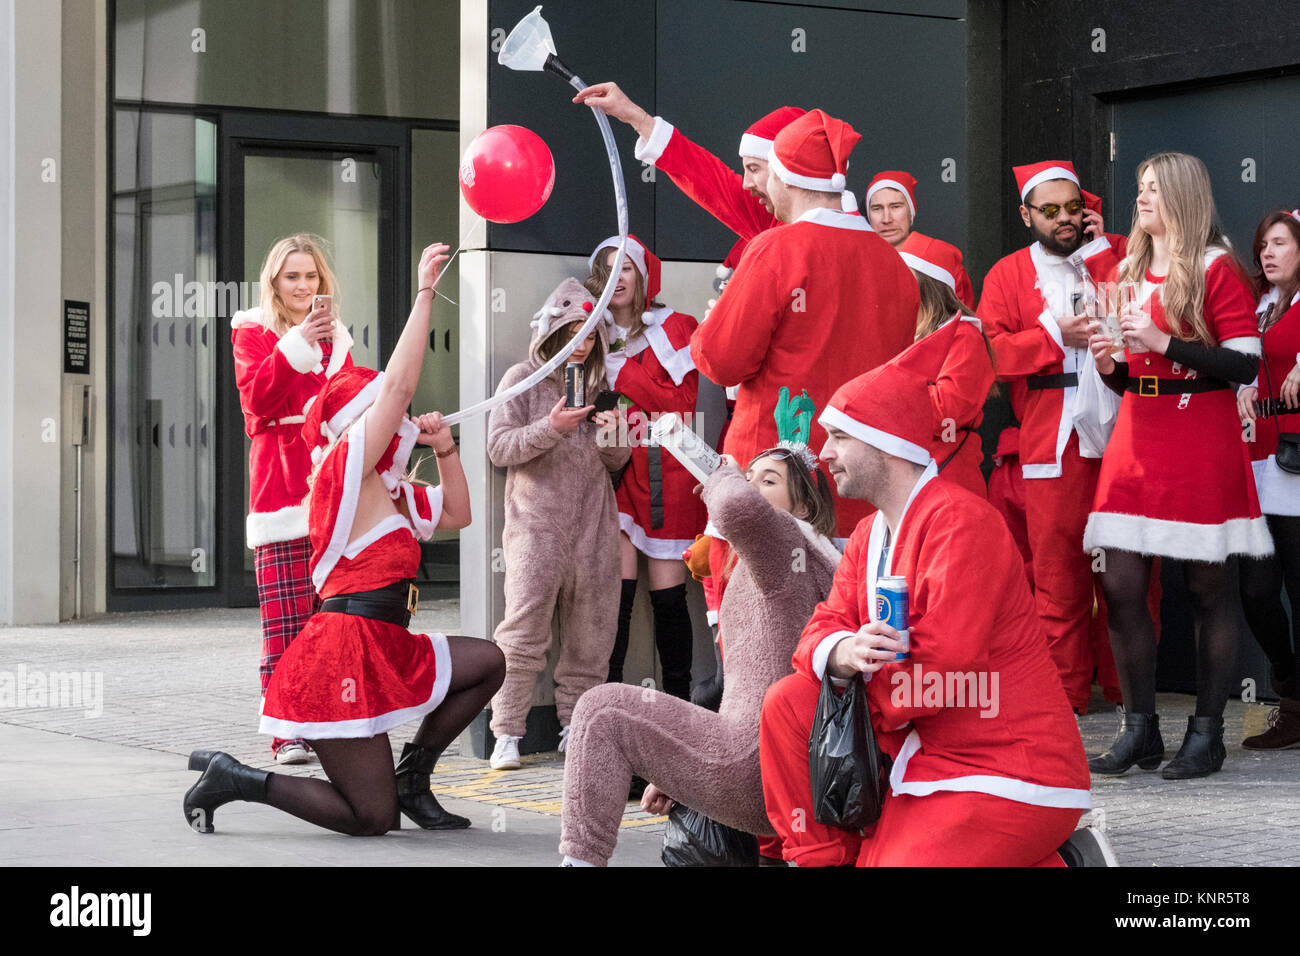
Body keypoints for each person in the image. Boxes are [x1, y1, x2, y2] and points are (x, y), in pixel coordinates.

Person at [184, 243, 507, 835]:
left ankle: (415, 775)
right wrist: (425, 293)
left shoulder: (385, 482)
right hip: (341, 658)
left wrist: (445, 450)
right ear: (355, 422)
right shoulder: (340, 467)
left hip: (386, 646)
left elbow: (459, 514)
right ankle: (235, 778)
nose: (389, 418)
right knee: (371, 819)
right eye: (375, 409)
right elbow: (400, 387)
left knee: (489, 661)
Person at [758, 353, 1098, 866]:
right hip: (924, 754)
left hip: (1012, 769)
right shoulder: (871, 534)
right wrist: (843, 651)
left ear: (887, 442)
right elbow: (819, 631)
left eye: (842, 436)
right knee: (787, 702)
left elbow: (940, 672)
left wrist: (858, 681)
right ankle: (822, 861)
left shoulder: (963, 522)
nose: (825, 453)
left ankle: (1069, 858)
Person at [559, 400, 839, 867]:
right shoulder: (797, 560)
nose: (751, 487)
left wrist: (723, 474)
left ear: (805, 504)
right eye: (750, 478)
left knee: (599, 709)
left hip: (754, 764)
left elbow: (733, 507)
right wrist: (672, 766)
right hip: (772, 765)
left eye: (767, 481)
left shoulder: (789, 546)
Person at [1085, 152, 1272, 779]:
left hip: (1200, 439)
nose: (1140, 198)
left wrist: (1163, 343)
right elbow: (1126, 384)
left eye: (1154, 188)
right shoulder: (1126, 268)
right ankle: (1140, 730)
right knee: (1121, 587)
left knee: (1205, 590)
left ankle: (1208, 733)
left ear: (1183, 196)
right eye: (1138, 187)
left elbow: (1246, 364)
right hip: (1138, 437)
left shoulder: (1217, 268)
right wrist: (1109, 358)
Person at [691, 108, 919, 544]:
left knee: (759, 610)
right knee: (847, 610)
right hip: (862, 493)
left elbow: (721, 361)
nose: (750, 184)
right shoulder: (894, 265)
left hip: (775, 480)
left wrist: (709, 326)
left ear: (784, 175)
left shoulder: (775, 248)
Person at [979, 160, 1127, 714]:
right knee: (1058, 578)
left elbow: (1143, 311)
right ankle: (1063, 701)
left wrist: (1100, 255)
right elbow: (987, 354)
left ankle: (1129, 694)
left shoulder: (1115, 251)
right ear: (1027, 215)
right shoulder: (1007, 274)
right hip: (1053, 438)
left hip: (1126, 433)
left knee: (1130, 577)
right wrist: (1050, 334)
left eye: (1074, 208)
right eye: (1051, 211)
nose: (1065, 219)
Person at [485, 278, 632, 770]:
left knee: (592, 634)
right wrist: (553, 427)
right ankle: (506, 732)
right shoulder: (521, 379)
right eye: (573, 331)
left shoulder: (603, 391)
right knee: (522, 630)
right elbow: (499, 448)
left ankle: (576, 729)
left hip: (594, 526)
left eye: (590, 334)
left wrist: (614, 437)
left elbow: (615, 464)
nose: (582, 342)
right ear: (552, 331)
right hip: (535, 524)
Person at [231, 233, 354, 764]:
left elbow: (346, 404)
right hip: (280, 491)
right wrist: (298, 343)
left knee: (328, 619)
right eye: (293, 277)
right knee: (283, 621)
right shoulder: (252, 331)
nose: (303, 286)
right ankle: (286, 732)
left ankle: (325, 720)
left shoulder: (339, 338)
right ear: (275, 282)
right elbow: (257, 401)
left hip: (331, 488)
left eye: (311, 277)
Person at [585, 235, 705, 701]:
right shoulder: (589, 331)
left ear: (643, 277)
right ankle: (605, 706)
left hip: (665, 476)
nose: (618, 278)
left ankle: (676, 708)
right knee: (615, 597)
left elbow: (685, 405)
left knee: (668, 598)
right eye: (609, 269)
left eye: (627, 268)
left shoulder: (676, 326)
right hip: (611, 471)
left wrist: (625, 373)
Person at [572, 81, 812, 259]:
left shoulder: (847, 236)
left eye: (754, 169)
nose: (746, 183)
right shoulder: (769, 220)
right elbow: (703, 175)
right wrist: (635, 116)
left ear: (787, 168)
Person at [1237, 208, 1300, 748]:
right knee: (1257, 592)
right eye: (1263, 245)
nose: (1268, 253)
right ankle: (1291, 688)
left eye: (1280, 243)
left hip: (1295, 460)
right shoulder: (1257, 306)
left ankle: (1296, 711)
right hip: (1254, 458)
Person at [898, 238, 995, 498]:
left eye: (902, 278)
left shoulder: (963, 336)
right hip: (909, 472)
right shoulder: (904, 332)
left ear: (925, 287)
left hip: (948, 475)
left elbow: (947, 410)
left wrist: (890, 394)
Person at [866, 170, 975, 308]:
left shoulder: (941, 259)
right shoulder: (857, 262)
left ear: (911, 213)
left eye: (896, 207)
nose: (886, 219)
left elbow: (963, 321)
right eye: (877, 208)